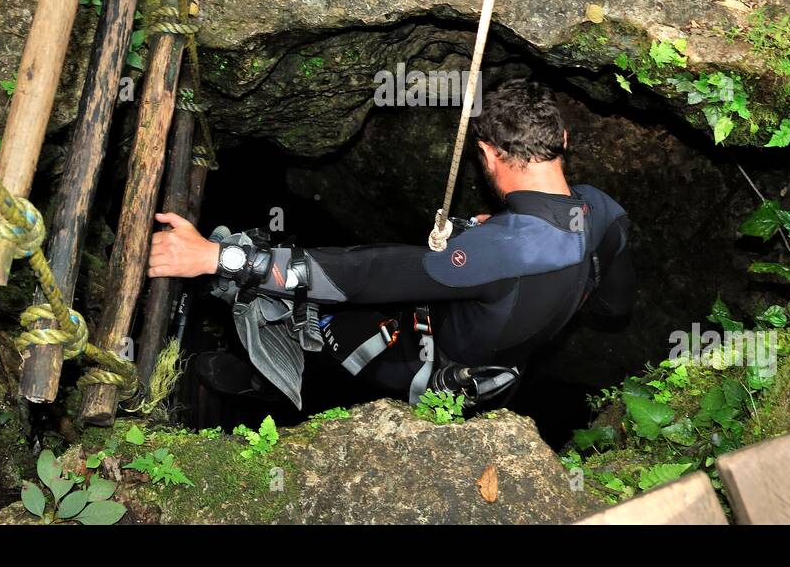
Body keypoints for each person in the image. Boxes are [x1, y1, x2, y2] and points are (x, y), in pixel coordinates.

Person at [147, 77, 634, 410]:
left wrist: (219, 257)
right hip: (498, 373)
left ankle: (266, 388)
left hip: (426, 365)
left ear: (486, 152)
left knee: (320, 318)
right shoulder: (606, 212)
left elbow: (363, 275)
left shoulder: (497, 254)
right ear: (564, 139)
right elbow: (614, 305)